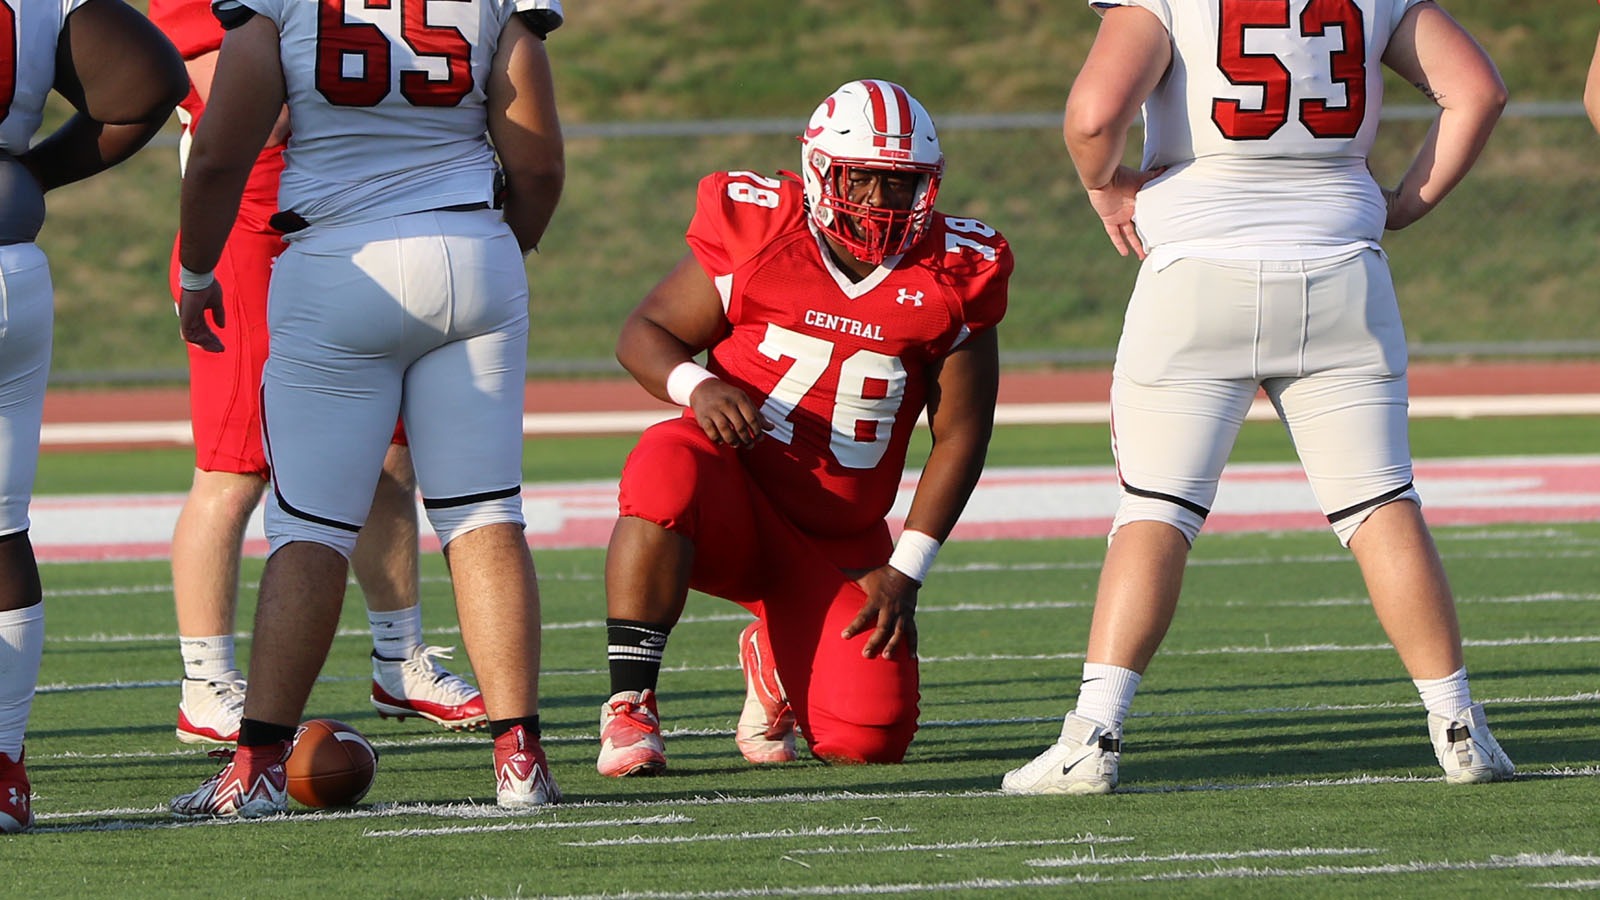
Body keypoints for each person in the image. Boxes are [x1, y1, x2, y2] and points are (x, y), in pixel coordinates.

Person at [1000, 0, 1513, 795]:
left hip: (1199, 270)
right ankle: (1460, 730)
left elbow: (1093, 116)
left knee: (1156, 506)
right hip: (1343, 269)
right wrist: (1403, 202)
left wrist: (1108, 190)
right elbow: (1477, 89)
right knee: (1382, 501)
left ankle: (1090, 739)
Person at [168, 0, 566, 817]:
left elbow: (219, 152)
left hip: (337, 257)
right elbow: (538, 163)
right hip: (469, 250)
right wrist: (495, 250)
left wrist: (200, 271)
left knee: (310, 525)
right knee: (485, 514)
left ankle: (260, 769)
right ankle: (519, 760)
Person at [595, 79, 1011, 777]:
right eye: (865, 179)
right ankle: (630, 700)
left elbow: (961, 435)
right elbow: (646, 331)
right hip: (733, 498)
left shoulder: (955, 272)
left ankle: (773, 659)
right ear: (821, 170)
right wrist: (700, 386)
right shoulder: (763, 230)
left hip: (837, 540)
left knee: (870, 737)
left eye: (902, 185)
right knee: (666, 458)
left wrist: (906, 571)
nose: (882, 202)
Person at [146, 0, 485, 748]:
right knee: (235, 468)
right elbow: (249, 116)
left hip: (346, 228)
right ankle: (205, 680)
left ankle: (401, 659)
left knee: (389, 455)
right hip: (245, 239)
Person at [0, 0, 187, 833]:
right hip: (6, 267)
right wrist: (32, 170)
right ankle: (4, 766)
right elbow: (147, 84)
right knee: (0, 527)